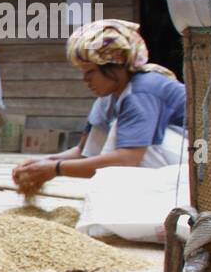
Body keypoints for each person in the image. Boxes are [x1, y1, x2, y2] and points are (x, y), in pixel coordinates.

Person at [12, 19, 186, 193]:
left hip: (196, 161)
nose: (85, 79)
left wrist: (55, 169)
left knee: (122, 139)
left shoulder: (141, 91)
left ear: (114, 66)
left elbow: (128, 159)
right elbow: (85, 152)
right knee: (115, 142)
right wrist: (43, 163)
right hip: (167, 158)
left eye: (90, 72)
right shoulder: (108, 99)